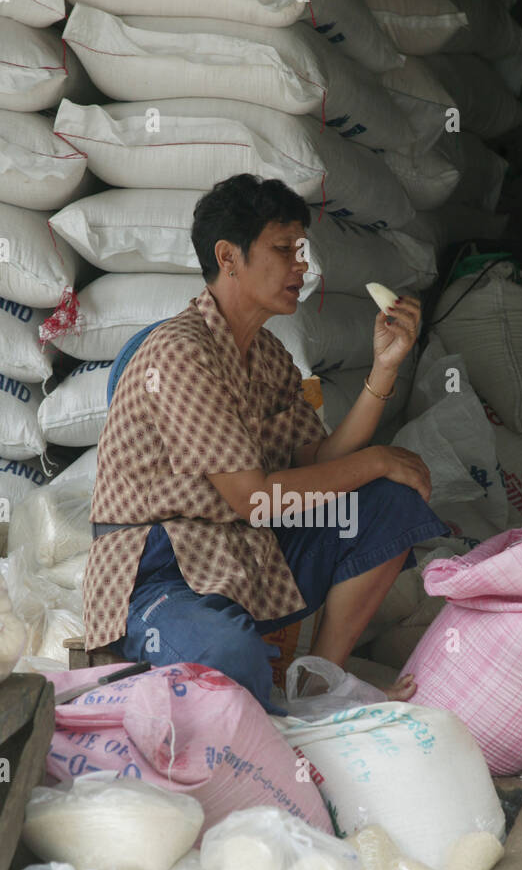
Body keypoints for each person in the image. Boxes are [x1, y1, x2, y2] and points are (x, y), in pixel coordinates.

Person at [82, 173, 448, 712]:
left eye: (301, 251)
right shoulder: (179, 352)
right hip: (159, 570)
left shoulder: (268, 355)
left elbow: (320, 462)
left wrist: (384, 371)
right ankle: (275, 704)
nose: (302, 267)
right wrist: (376, 460)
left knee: (391, 505)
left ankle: (319, 683)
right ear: (228, 257)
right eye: (284, 250)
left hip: (244, 553)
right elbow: (254, 499)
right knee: (230, 656)